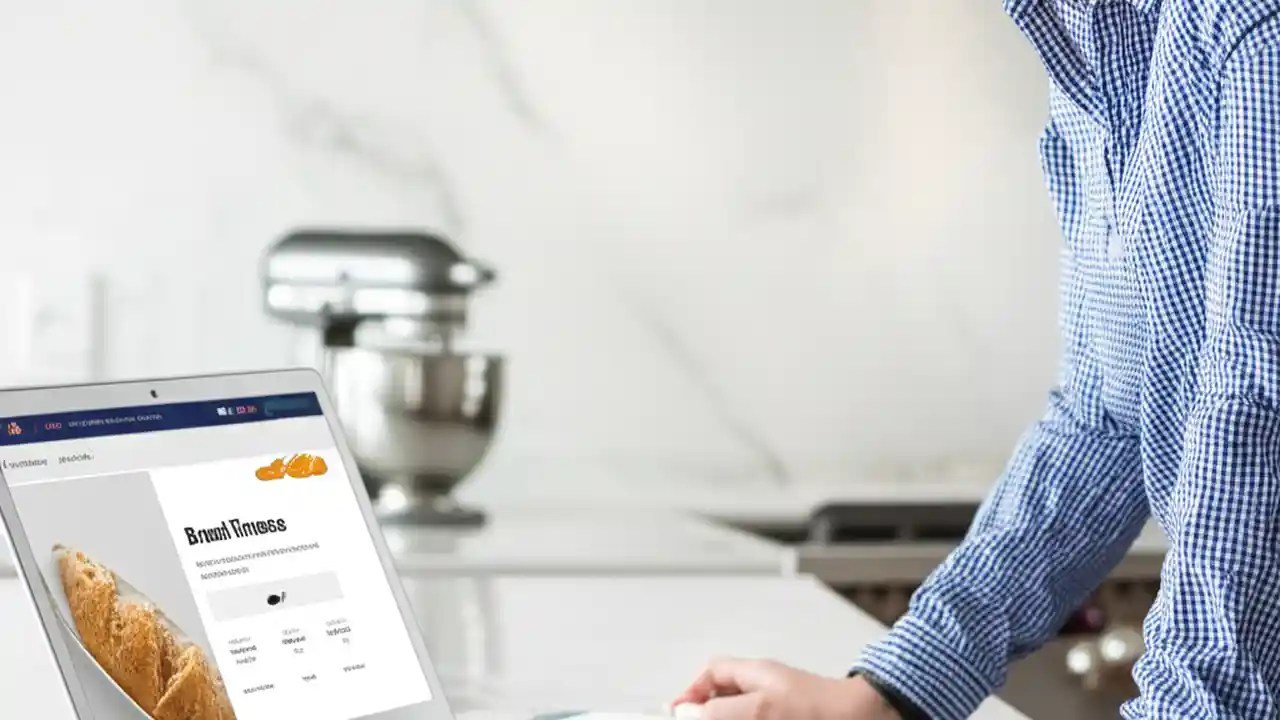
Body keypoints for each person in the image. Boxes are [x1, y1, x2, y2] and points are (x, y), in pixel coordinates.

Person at [673, 1, 1280, 718]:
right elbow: (1104, 415)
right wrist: (888, 695)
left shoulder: (1250, 23)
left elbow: (1259, 405)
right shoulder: (1091, 43)